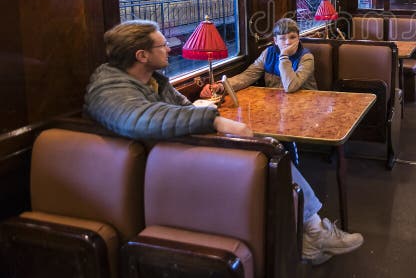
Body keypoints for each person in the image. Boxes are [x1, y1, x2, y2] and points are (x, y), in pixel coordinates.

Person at [83, 20, 362, 265]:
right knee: (267, 153)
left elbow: (181, 107)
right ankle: (312, 233)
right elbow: (138, 118)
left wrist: (207, 112)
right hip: (150, 171)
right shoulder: (108, 88)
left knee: (270, 152)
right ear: (142, 55)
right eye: (163, 45)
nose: (169, 49)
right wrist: (214, 120)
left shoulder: (153, 80)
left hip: (168, 156)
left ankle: (308, 231)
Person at [201, 17, 316, 96]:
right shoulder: (268, 53)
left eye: (292, 37)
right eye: (282, 38)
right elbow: (247, 76)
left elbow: (290, 87)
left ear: (298, 38)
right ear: (275, 41)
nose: (288, 42)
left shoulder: (306, 58)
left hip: (306, 104)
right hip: (277, 104)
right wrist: (221, 86)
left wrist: (284, 56)